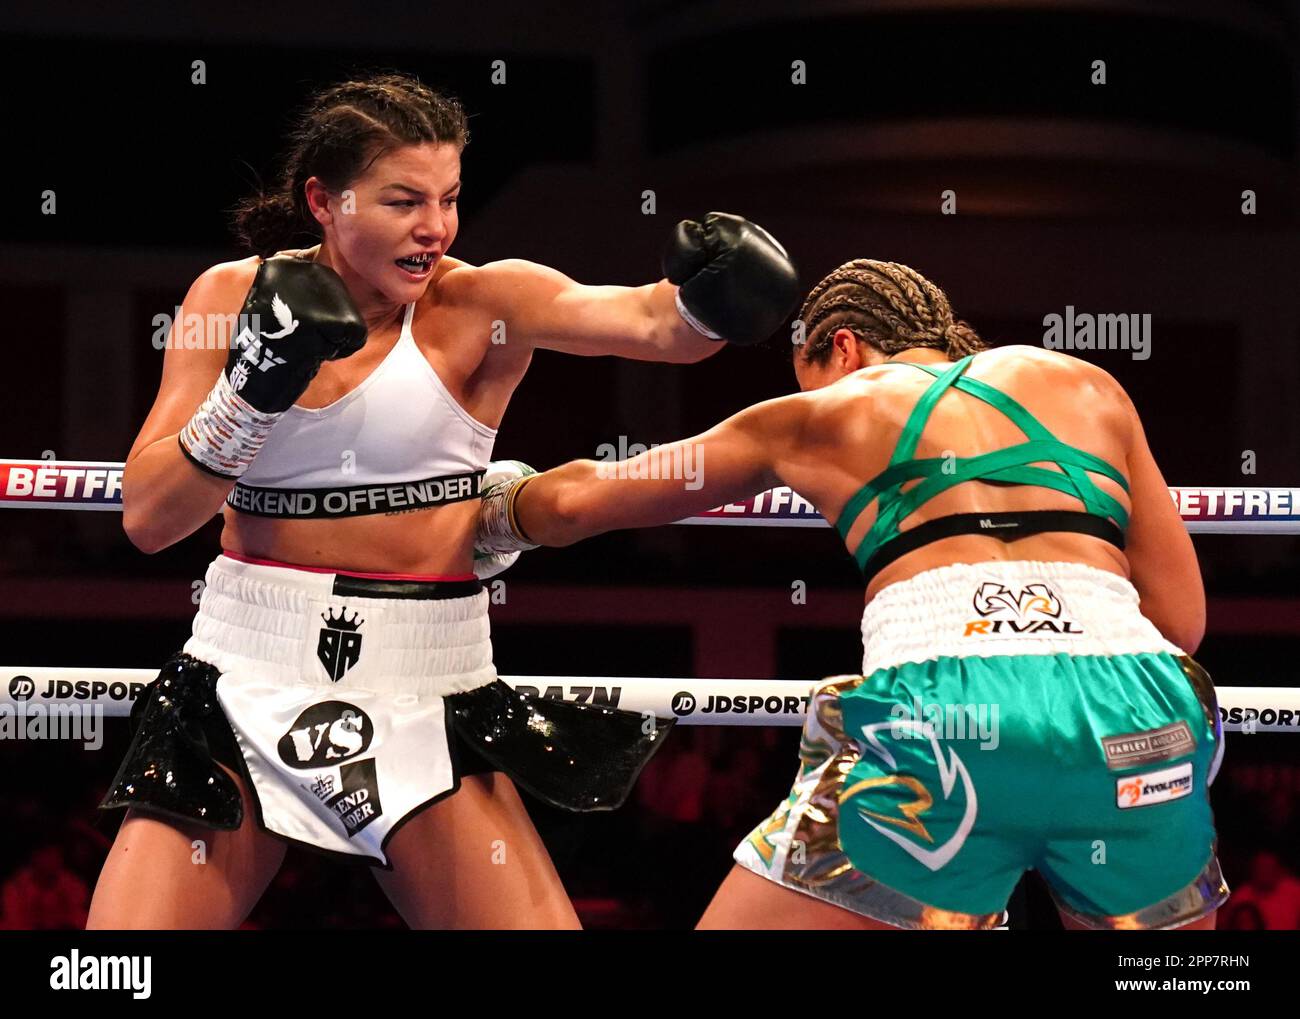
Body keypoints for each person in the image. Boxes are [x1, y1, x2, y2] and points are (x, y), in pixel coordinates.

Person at [89, 71, 799, 930]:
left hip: (426, 679)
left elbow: (654, 326)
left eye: (450, 199)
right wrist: (252, 392)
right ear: (324, 199)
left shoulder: (482, 304)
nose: (434, 228)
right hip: (247, 664)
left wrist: (712, 300)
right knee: (117, 967)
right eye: (402, 201)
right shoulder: (229, 298)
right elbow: (150, 519)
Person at [476, 258, 1227, 930]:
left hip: (947, 712)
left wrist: (498, 504)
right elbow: (1180, 621)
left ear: (841, 346)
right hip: (1142, 715)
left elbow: (582, 501)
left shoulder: (828, 410)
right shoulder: (1087, 383)